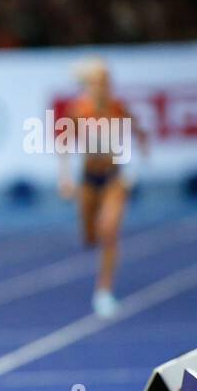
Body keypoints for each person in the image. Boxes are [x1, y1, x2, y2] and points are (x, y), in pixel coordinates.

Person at [56, 57, 148, 318]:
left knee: (108, 231)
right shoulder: (79, 110)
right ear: (88, 86)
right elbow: (64, 143)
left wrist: (136, 168)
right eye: (96, 83)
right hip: (88, 179)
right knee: (90, 237)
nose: (101, 87)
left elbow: (138, 132)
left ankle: (103, 291)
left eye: (105, 82)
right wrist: (65, 178)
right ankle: (90, 234)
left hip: (113, 178)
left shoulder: (117, 107)